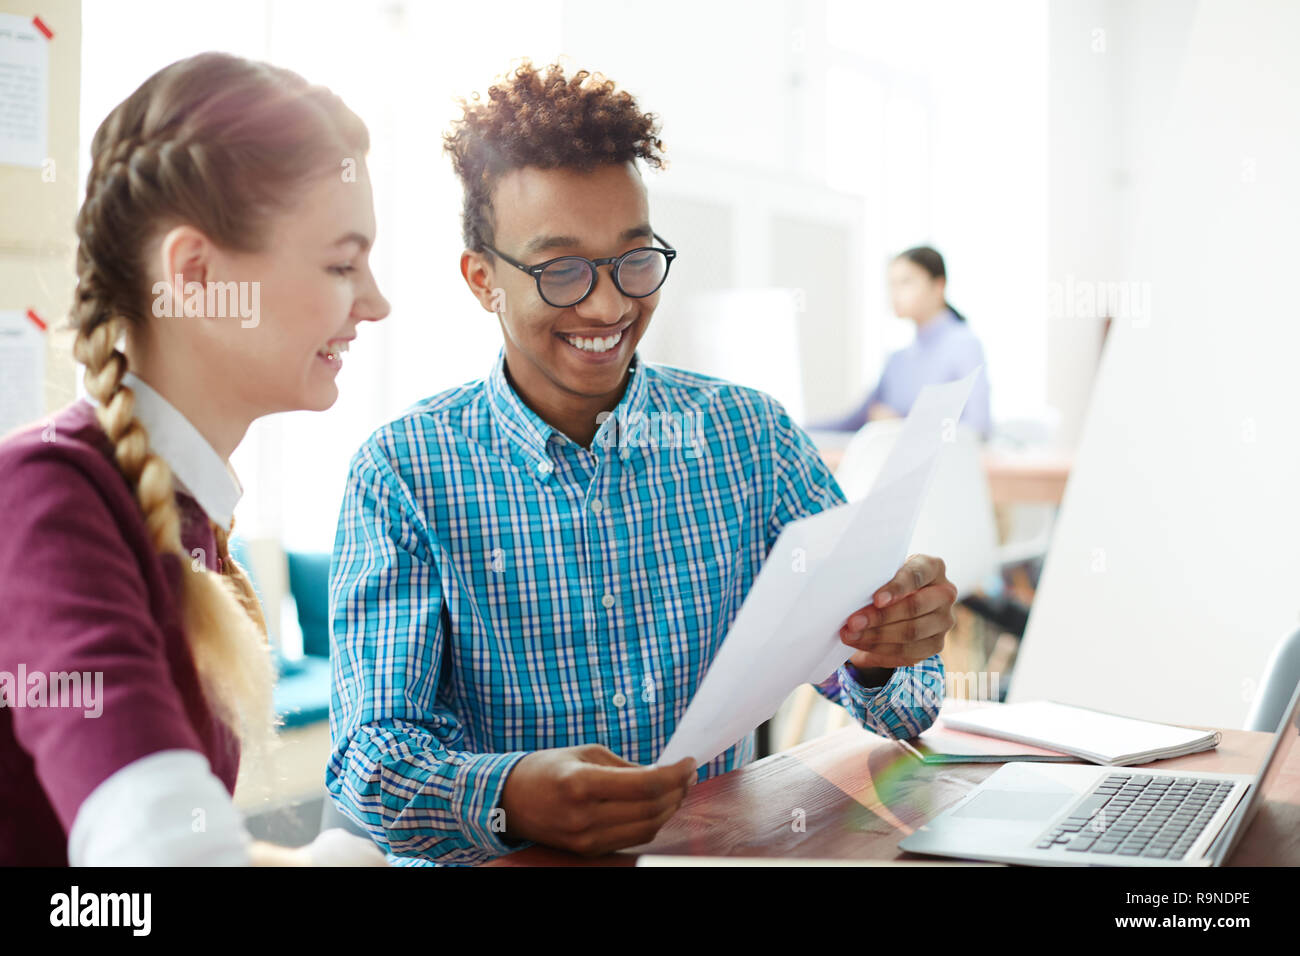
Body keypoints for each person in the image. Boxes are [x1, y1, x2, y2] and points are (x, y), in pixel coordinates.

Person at [326, 61, 958, 866]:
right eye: (560, 271)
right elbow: (370, 763)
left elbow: (902, 709)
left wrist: (884, 653)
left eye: (633, 258)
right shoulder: (403, 474)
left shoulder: (748, 439)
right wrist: (511, 794)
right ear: (482, 280)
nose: (609, 305)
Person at [0, 53, 390, 866]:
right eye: (341, 264)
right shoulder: (45, 495)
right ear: (197, 276)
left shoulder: (181, 517)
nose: (375, 303)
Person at [819, 246, 991, 437]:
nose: (895, 294)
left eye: (906, 282)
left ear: (938, 286)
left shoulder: (964, 345)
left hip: (945, 465)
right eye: (891, 285)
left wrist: (903, 426)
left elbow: (978, 427)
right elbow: (854, 422)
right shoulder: (897, 360)